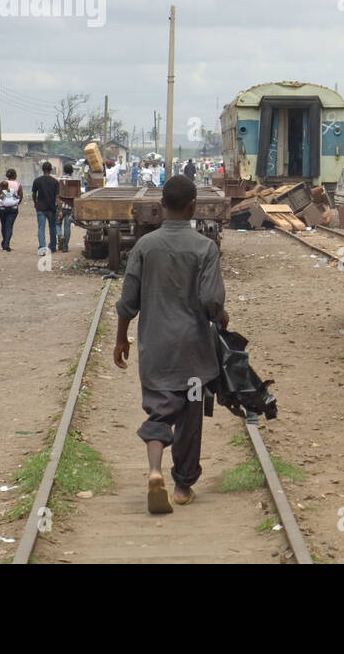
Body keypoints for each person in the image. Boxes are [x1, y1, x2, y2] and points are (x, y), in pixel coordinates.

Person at [113, 176, 228, 514]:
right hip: (194, 354)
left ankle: (153, 471)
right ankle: (181, 486)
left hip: (156, 352)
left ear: (162, 206)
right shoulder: (205, 248)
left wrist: (121, 338)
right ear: (193, 207)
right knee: (191, 417)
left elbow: (127, 301)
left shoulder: (145, 247)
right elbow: (211, 301)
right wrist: (220, 314)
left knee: (159, 410)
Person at [31, 162, 60, 254]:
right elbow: (57, 197)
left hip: (40, 208)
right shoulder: (55, 182)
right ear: (51, 169)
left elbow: (34, 194)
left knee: (41, 228)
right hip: (51, 208)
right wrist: (59, 208)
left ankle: (42, 248)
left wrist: (35, 203)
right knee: (52, 228)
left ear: (42, 169)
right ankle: (52, 247)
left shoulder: (37, 180)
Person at [0, 179, 20, 251]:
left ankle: (4, 242)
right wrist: (17, 201)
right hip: (13, 208)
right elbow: (17, 196)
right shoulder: (13, 188)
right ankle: (6, 243)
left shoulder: (3, 192)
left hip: (2, 209)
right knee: (9, 226)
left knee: (4, 225)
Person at [59, 163, 75, 252]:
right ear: (71, 171)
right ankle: (65, 247)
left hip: (60, 207)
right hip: (69, 207)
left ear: (64, 170)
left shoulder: (59, 180)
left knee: (57, 224)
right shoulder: (73, 181)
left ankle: (60, 236)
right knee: (67, 227)